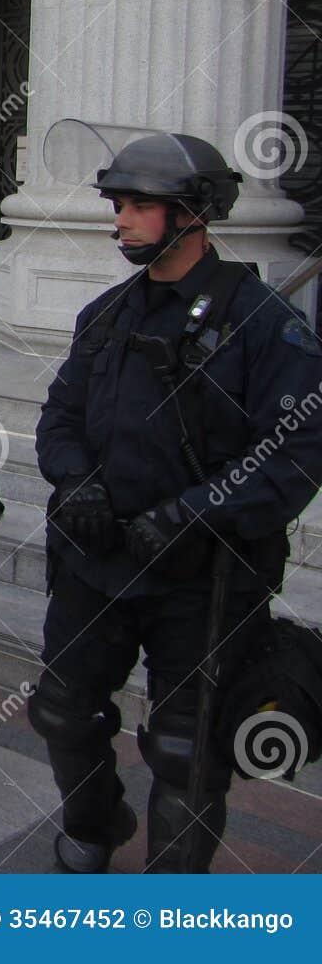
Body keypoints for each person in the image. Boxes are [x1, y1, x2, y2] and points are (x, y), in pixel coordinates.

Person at [31, 130, 322, 873]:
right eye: (118, 205)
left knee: (184, 751)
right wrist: (77, 481)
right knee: (62, 710)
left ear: (192, 215)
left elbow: (295, 454)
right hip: (97, 564)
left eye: (138, 206)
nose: (120, 220)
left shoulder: (263, 324)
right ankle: (96, 824)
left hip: (203, 579)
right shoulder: (106, 315)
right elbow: (60, 417)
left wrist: (196, 510)